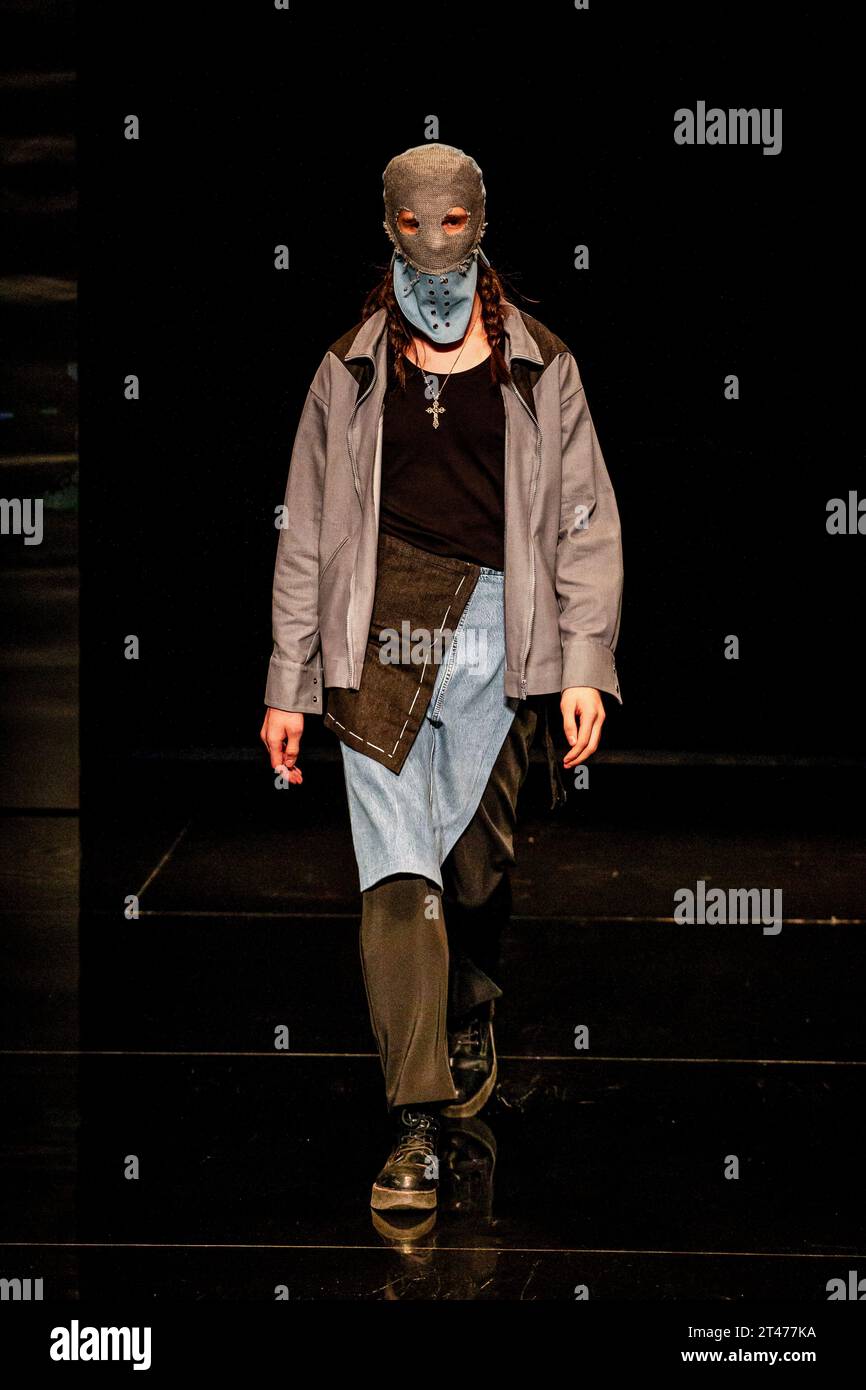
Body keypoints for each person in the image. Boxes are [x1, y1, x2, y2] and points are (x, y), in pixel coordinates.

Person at [260, 143, 623, 1220]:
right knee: (399, 873)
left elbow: (584, 524)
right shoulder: (349, 369)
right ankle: (413, 1122)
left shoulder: (541, 367)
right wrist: (288, 683)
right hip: (372, 639)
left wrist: (585, 666)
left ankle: (469, 1004)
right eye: (412, 225)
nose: (433, 242)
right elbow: (306, 537)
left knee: (468, 870)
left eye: (452, 222)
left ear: (479, 224)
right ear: (386, 228)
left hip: (492, 644)